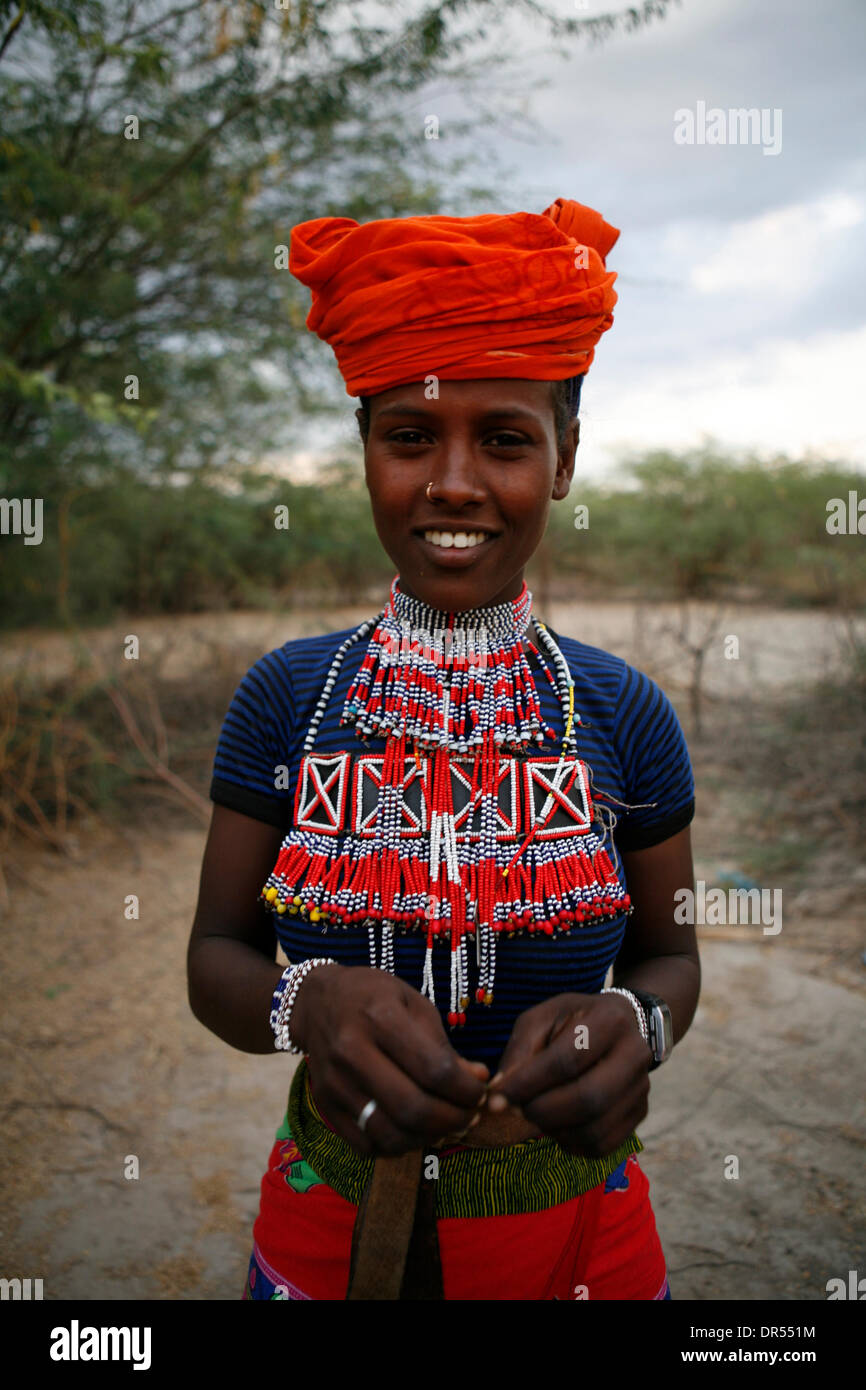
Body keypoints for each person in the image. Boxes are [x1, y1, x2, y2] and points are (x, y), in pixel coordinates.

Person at [187, 197, 700, 1301]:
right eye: (410, 436)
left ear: (563, 459)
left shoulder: (623, 711)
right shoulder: (287, 696)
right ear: (366, 452)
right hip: (329, 1214)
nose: (454, 483)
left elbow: (672, 959)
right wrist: (303, 1003)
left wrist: (636, 1023)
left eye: (505, 439)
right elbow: (215, 958)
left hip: (576, 1231)